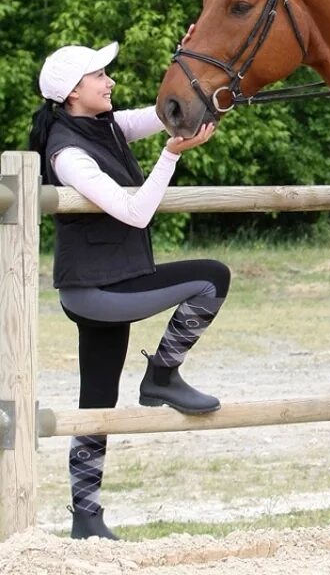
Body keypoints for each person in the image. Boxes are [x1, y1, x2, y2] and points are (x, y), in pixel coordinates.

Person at [29, 41, 231, 540]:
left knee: (96, 400)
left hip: (109, 283)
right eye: (100, 75)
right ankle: (162, 375)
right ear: (75, 92)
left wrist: (202, 61)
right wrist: (169, 157)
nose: (110, 81)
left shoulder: (104, 126)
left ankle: (85, 517)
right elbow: (136, 210)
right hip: (97, 290)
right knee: (212, 278)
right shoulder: (69, 152)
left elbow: (168, 114)